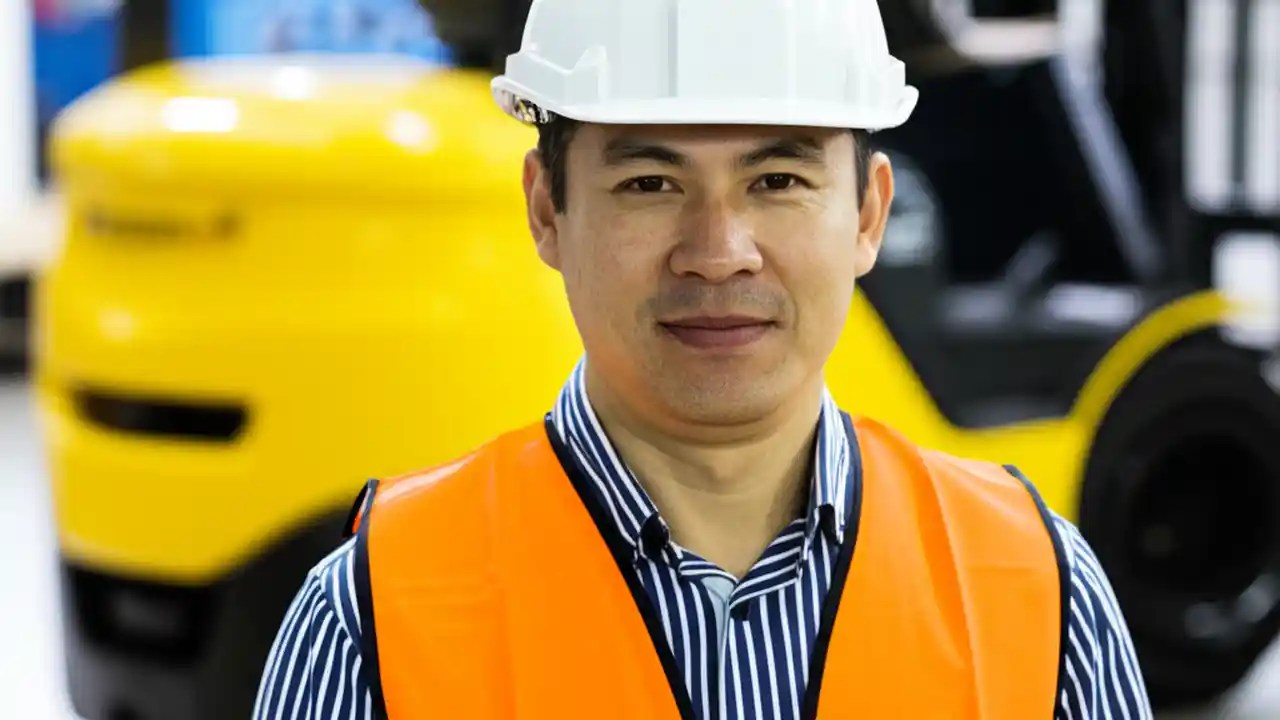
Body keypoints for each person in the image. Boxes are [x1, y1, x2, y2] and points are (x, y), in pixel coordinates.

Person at [254, 0, 1152, 717]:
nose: (719, 251)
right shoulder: (374, 617)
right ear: (546, 211)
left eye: (778, 181)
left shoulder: (1038, 592)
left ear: (869, 216)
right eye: (650, 183)